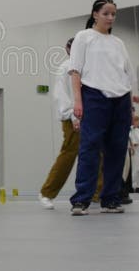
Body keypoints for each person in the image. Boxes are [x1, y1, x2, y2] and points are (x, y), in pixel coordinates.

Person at [68, 0, 139, 215]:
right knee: (90, 147)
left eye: (113, 14)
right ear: (95, 14)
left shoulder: (118, 43)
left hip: (120, 98)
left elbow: (128, 74)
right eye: (106, 13)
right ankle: (81, 199)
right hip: (94, 96)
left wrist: (131, 105)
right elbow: (75, 71)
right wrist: (78, 101)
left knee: (117, 149)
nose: (110, 17)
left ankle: (110, 198)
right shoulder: (84, 37)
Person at [38, 38, 104, 209]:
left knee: (98, 154)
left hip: (91, 118)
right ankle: (47, 193)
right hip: (72, 118)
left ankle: (97, 194)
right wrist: (74, 116)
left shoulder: (90, 68)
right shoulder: (66, 68)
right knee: (69, 154)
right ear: (68, 49)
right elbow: (62, 95)